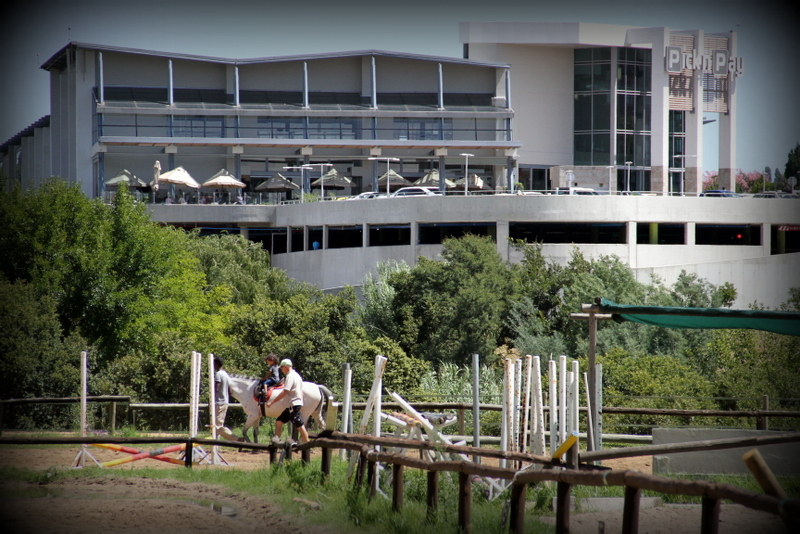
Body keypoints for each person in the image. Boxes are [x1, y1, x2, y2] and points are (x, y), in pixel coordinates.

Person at [265, 358, 309, 444]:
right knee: (279, 421)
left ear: (285, 367)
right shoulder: (297, 375)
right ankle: (276, 442)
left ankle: (308, 445)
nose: (281, 370)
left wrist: (272, 402)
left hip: (293, 404)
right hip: (291, 405)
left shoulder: (290, 376)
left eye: (281, 368)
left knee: (299, 425)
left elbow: (285, 391)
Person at [212, 356, 237, 441]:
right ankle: (215, 442)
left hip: (219, 401)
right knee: (217, 425)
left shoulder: (218, 374)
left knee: (218, 426)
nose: (213, 366)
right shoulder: (225, 374)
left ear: (217, 364)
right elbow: (230, 389)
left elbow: (217, 387)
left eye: (214, 364)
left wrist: (212, 396)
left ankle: (237, 439)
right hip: (225, 401)